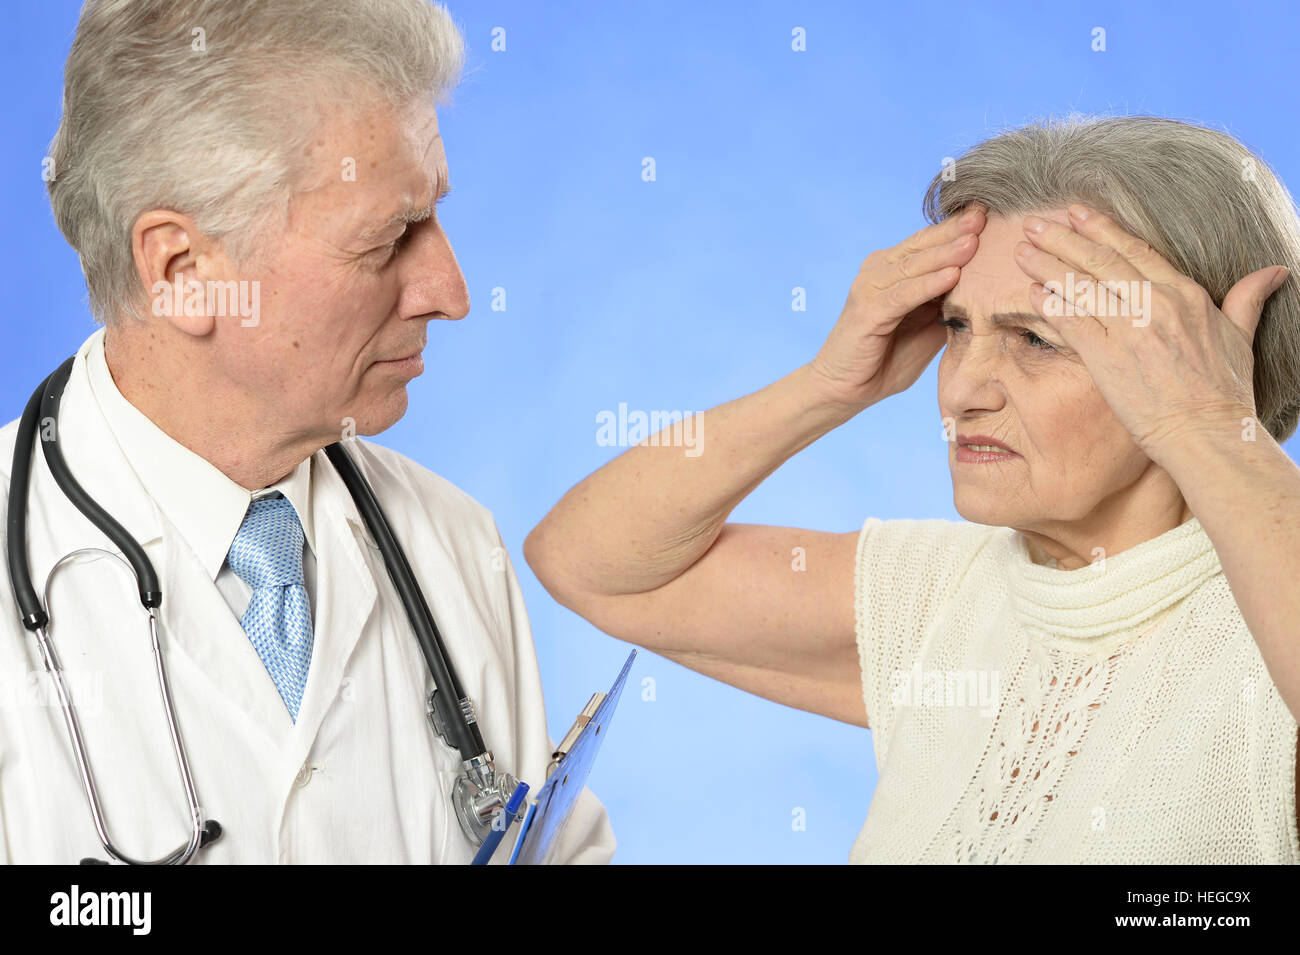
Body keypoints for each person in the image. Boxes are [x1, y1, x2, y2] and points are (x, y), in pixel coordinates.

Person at [525, 114, 1300, 863]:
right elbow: (589, 562)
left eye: (1035, 339)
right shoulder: (937, 598)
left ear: (1194, 356)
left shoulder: (1264, 671)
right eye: (960, 327)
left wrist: (1208, 425)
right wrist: (827, 386)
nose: (961, 388)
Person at [0, 0, 615, 864]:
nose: (451, 290)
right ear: (184, 271)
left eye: (433, 217)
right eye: (389, 239)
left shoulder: (455, 547)